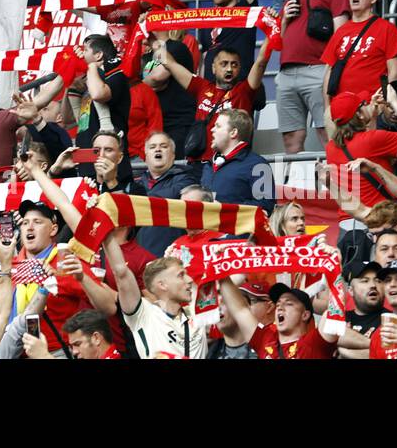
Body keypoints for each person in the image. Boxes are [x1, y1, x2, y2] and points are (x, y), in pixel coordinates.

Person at [277, 0, 350, 153]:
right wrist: (284, 21)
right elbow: (280, 41)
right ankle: (292, 186)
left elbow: (341, 34)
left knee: (327, 132)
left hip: (319, 69)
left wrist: (332, 70)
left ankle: (338, 184)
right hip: (287, 72)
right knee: (291, 138)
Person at [107, 228, 206, 358]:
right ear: (162, 285)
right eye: (181, 275)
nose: (189, 280)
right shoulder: (144, 315)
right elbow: (121, 272)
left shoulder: (198, 309)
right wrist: (105, 231)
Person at [325, 88, 397, 208]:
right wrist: (394, 103)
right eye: (363, 104)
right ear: (359, 114)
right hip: (379, 217)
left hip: (349, 219)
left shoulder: (331, 147)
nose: (367, 104)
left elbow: (369, 149)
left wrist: (373, 116)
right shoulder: (371, 140)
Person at [321, 0, 397, 101]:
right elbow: (329, 72)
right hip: (342, 108)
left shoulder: (386, 28)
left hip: (372, 105)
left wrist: (386, 102)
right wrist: (328, 107)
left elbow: (394, 72)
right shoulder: (341, 31)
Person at [220, 277, 340, 359]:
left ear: (305, 315)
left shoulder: (315, 343)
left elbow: (335, 310)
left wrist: (335, 266)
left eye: (288, 303)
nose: (280, 308)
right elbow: (241, 310)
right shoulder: (265, 339)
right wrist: (220, 270)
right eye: (278, 304)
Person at [200, 108, 275, 211]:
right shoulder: (208, 165)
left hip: (236, 227)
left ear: (233, 132)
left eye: (218, 126)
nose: (212, 129)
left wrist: (226, 208)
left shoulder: (258, 164)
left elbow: (266, 206)